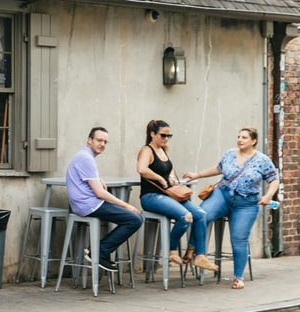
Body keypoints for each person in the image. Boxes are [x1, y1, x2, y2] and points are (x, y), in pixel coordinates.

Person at [184, 126, 280, 290]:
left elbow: (274, 179)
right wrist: (197, 175)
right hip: (222, 195)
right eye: (239, 137)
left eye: (244, 137)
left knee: (238, 239)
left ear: (253, 141)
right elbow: (218, 168)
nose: (240, 140)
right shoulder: (229, 154)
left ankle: (238, 277)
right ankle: (194, 249)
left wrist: (268, 195)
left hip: (246, 204)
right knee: (201, 214)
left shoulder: (262, 160)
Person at [136, 120, 216, 271]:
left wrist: (171, 177)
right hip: (151, 197)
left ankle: (199, 256)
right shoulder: (147, 150)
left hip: (170, 194)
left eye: (169, 135)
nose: (166, 138)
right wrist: (159, 178)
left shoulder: (164, 149)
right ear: (152, 134)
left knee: (200, 214)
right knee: (186, 216)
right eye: (163, 135)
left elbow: (169, 169)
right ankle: (171, 250)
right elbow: (141, 169)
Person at [66, 127, 143, 273]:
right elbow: (100, 193)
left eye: (105, 142)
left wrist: (98, 178)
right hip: (88, 205)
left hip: (85, 204)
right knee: (135, 219)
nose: (102, 144)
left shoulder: (84, 156)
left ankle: (99, 250)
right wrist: (126, 205)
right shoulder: (86, 158)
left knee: (133, 217)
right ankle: (99, 251)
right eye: (99, 140)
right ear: (90, 140)